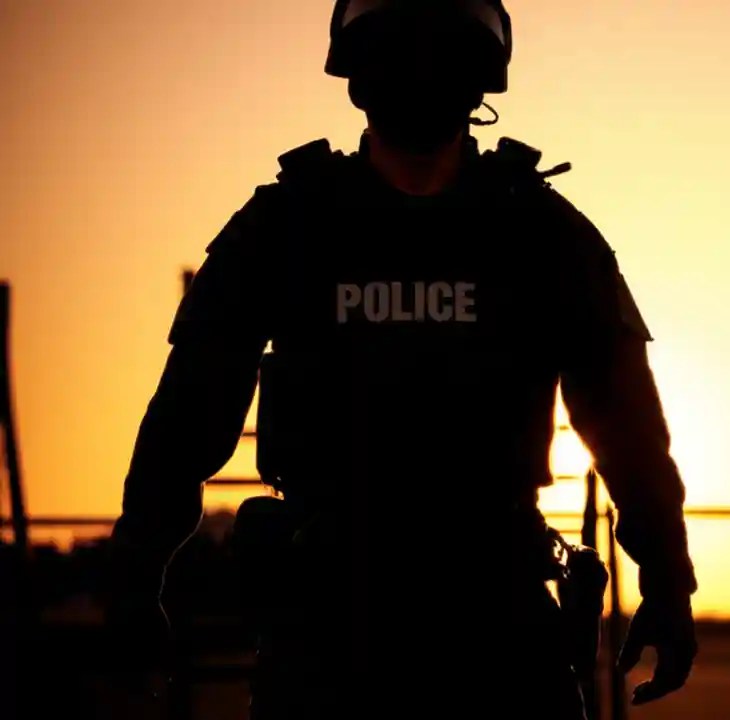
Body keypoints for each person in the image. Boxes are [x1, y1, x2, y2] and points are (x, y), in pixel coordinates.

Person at [104, 1, 698, 718]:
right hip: (328, 628)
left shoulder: (542, 233)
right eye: (400, 55)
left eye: (440, 57)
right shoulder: (284, 228)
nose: (420, 76)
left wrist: (668, 580)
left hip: (496, 624)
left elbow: (628, 427)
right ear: (360, 76)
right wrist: (135, 580)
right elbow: (186, 420)